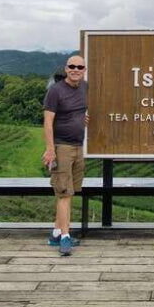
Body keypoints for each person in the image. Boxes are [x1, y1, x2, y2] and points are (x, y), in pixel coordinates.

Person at [42, 54, 88, 256]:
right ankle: (65, 238)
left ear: (84, 70)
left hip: (78, 147)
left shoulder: (85, 88)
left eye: (80, 67)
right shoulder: (55, 91)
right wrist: (50, 149)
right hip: (61, 147)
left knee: (70, 192)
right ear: (66, 68)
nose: (76, 69)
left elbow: (80, 111)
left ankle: (56, 232)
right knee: (64, 193)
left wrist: (84, 118)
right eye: (72, 66)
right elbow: (48, 122)